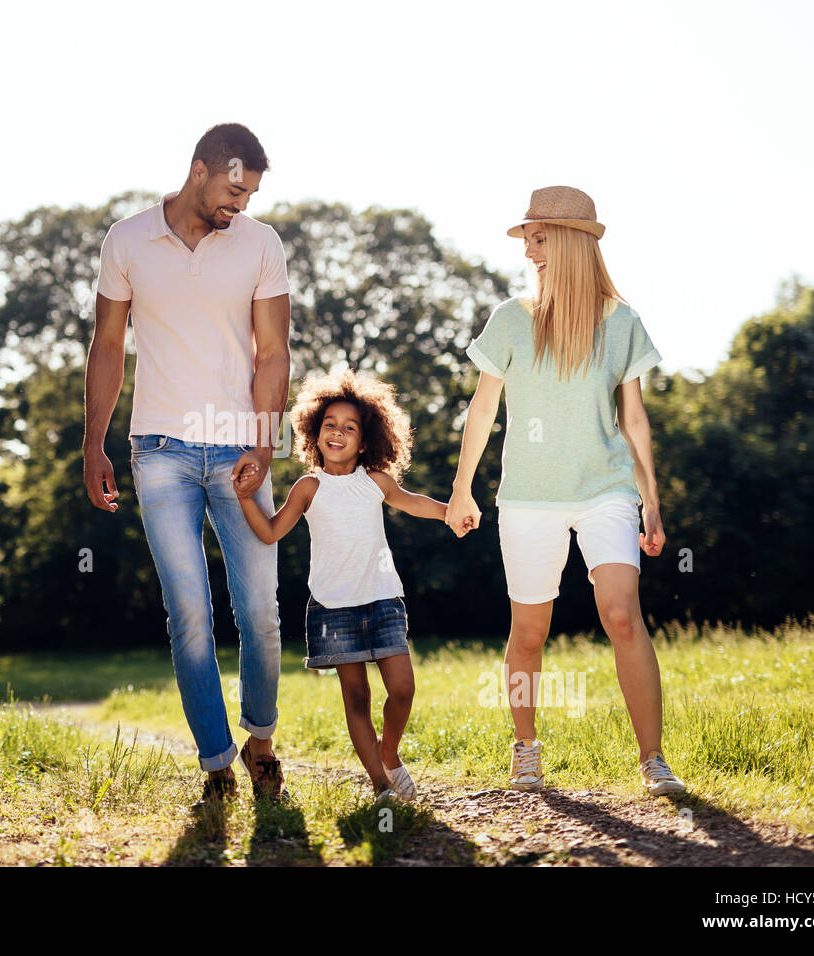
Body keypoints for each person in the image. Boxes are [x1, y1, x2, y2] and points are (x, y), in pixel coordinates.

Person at [445, 185, 687, 796]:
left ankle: (653, 760)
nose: (529, 251)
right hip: (527, 495)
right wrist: (461, 488)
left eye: (540, 237)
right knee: (528, 632)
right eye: (527, 239)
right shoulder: (510, 320)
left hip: (605, 488)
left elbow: (634, 419)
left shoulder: (622, 322)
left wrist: (650, 497)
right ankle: (526, 750)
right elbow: (482, 408)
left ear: (575, 241)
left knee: (622, 615)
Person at [82, 123, 292, 806]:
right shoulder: (128, 239)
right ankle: (216, 761)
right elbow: (108, 345)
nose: (241, 204)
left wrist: (265, 444)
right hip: (160, 453)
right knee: (190, 615)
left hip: (239, 450)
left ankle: (260, 738)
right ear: (199, 169)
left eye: (251, 193)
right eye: (234, 190)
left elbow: (273, 353)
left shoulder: (261, 244)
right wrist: (95, 442)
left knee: (259, 608)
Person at [237, 368, 450, 802]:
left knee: (403, 689)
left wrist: (452, 512)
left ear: (366, 439)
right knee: (356, 697)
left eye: (349, 428)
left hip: (383, 599)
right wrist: (244, 498)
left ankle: (388, 755)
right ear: (314, 433)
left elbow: (414, 503)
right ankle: (380, 786)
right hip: (333, 609)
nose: (338, 433)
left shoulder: (375, 482)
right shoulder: (308, 487)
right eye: (329, 425)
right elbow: (272, 532)